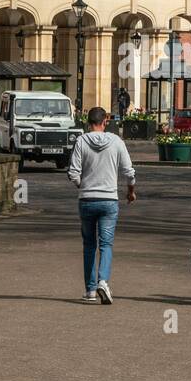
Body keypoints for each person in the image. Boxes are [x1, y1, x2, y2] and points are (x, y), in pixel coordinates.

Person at [67, 106, 136, 304]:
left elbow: (73, 172)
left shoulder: (81, 141)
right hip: (109, 200)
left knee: (89, 245)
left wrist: (83, 186)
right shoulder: (116, 142)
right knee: (106, 244)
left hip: (87, 200)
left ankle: (89, 290)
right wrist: (130, 192)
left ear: (88, 123)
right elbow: (129, 172)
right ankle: (103, 281)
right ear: (105, 121)